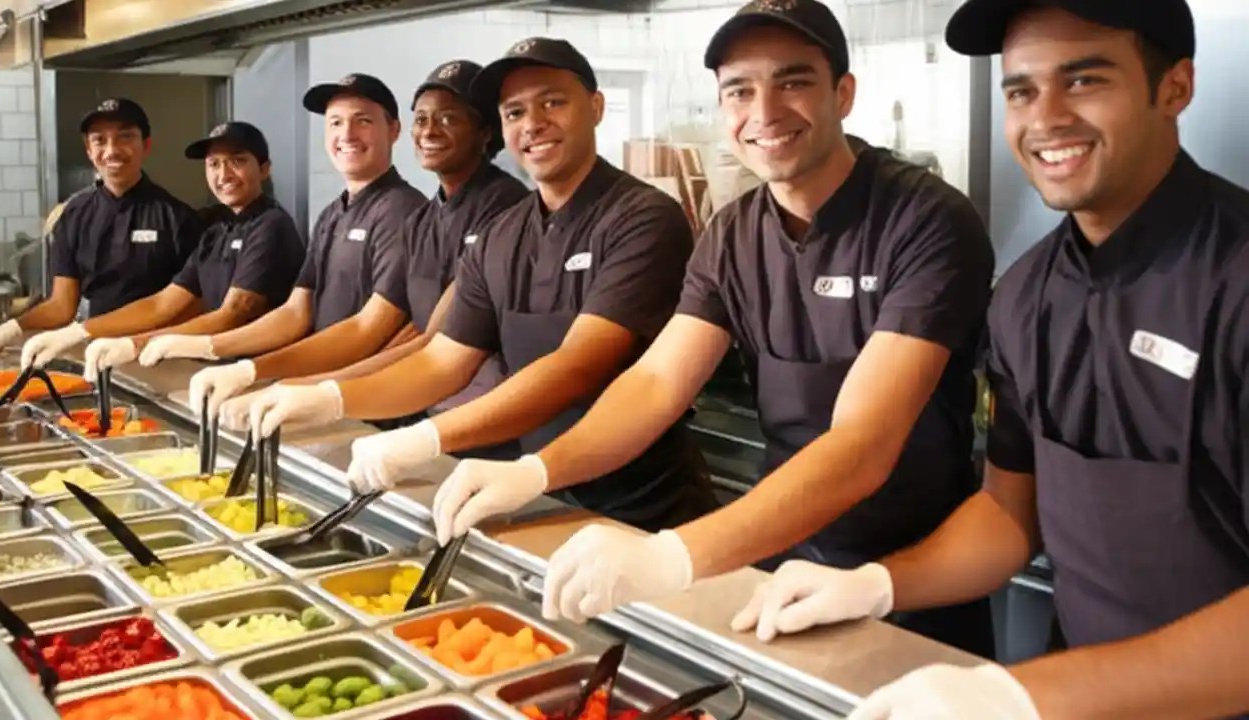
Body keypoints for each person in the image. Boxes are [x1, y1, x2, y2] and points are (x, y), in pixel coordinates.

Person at [432, 0, 998, 657]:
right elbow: (655, 383)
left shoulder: (924, 219)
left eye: (793, 81)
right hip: (777, 552)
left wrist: (675, 553)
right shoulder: (733, 233)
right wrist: (536, 471)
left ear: (843, 93)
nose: (764, 111)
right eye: (739, 90)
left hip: (915, 577)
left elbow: (863, 440)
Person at [734, 2, 1249, 718]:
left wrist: (1024, 694)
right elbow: (1010, 516)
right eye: (1020, 90)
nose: (1047, 118)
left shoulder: (1234, 278)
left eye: (1085, 80)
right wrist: (877, 584)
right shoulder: (1030, 294)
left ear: (1175, 88)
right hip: (1085, 694)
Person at [238, 38, 718, 532]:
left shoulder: (642, 217)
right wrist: (328, 397)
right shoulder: (503, 234)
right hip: (540, 493)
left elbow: (579, 364)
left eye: (553, 102)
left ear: (595, 107)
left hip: (642, 503)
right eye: (515, 111)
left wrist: (427, 437)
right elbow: (441, 358)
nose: (532, 124)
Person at [218, 59, 528, 450]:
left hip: (479, 425)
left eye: (448, 119)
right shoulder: (425, 217)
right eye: (423, 118)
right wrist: (281, 382)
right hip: (420, 408)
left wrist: (319, 390)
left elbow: (434, 341)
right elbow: (407, 332)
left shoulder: (504, 208)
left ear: (486, 130)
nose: (430, 131)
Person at [155, 74, 426, 417]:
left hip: (365, 403)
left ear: (395, 130)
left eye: (363, 121)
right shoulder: (333, 214)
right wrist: (215, 350)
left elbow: (369, 329)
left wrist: (260, 373)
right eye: (336, 122)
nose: (347, 134)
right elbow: (297, 313)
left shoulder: (404, 211)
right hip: (321, 389)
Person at [17, 122, 305, 377]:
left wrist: (139, 343)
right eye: (214, 164)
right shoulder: (217, 232)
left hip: (260, 373)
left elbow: (234, 313)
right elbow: (163, 303)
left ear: (264, 169)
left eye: (237, 161)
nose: (224, 173)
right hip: (216, 369)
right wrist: (80, 332)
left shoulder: (271, 226)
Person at [0, 98, 201, 366]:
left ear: (146, 145)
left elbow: (189, 308)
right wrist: (9, 330)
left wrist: (135, 341)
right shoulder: (74, 215)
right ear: (89, 150)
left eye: (125, 137)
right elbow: (61, 306)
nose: (112, 150)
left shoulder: (178, 218)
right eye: (100, 141)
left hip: (157, 354)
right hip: (93, 350)